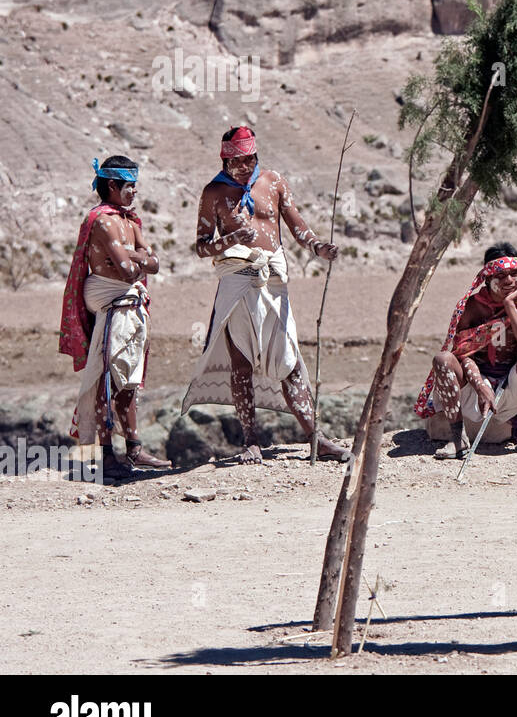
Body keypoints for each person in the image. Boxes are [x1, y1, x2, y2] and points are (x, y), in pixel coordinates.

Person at [183, 126, 350, 463]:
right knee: (240, 364)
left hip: (274, 284)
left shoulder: (273, 181)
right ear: (225, 161)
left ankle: (316, 437)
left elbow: (298, 226)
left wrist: (319, 247)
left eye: (250, 159)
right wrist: (231, 239)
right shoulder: (213, 193)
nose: (245, 166)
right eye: (237, 161)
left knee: (290, 361)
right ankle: (250, 442)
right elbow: (201, 247)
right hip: (237, 284)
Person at [59, 156, 171, 478]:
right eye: (129, 186)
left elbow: (155, 263)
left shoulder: (130, 221)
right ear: (112, 186)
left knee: (128, 378)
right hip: (112, 299)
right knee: (109, 377)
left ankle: (134, 448)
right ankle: (108, 456)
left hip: (127, 301)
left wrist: (139, 258)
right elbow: (128, 269)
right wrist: (141, 258)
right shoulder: (104, 222)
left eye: (135, 185)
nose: (134, 191)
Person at [414, 243, 517, 460]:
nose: (508, 280)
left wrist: (509, 306)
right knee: (443, 359)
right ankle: (457, 437)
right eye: (501, 275)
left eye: (513, 274)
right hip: (474, 387)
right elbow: (461, 355)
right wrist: (479, 386)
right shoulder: (471, 307)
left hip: (510, 390)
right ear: (487, 279)